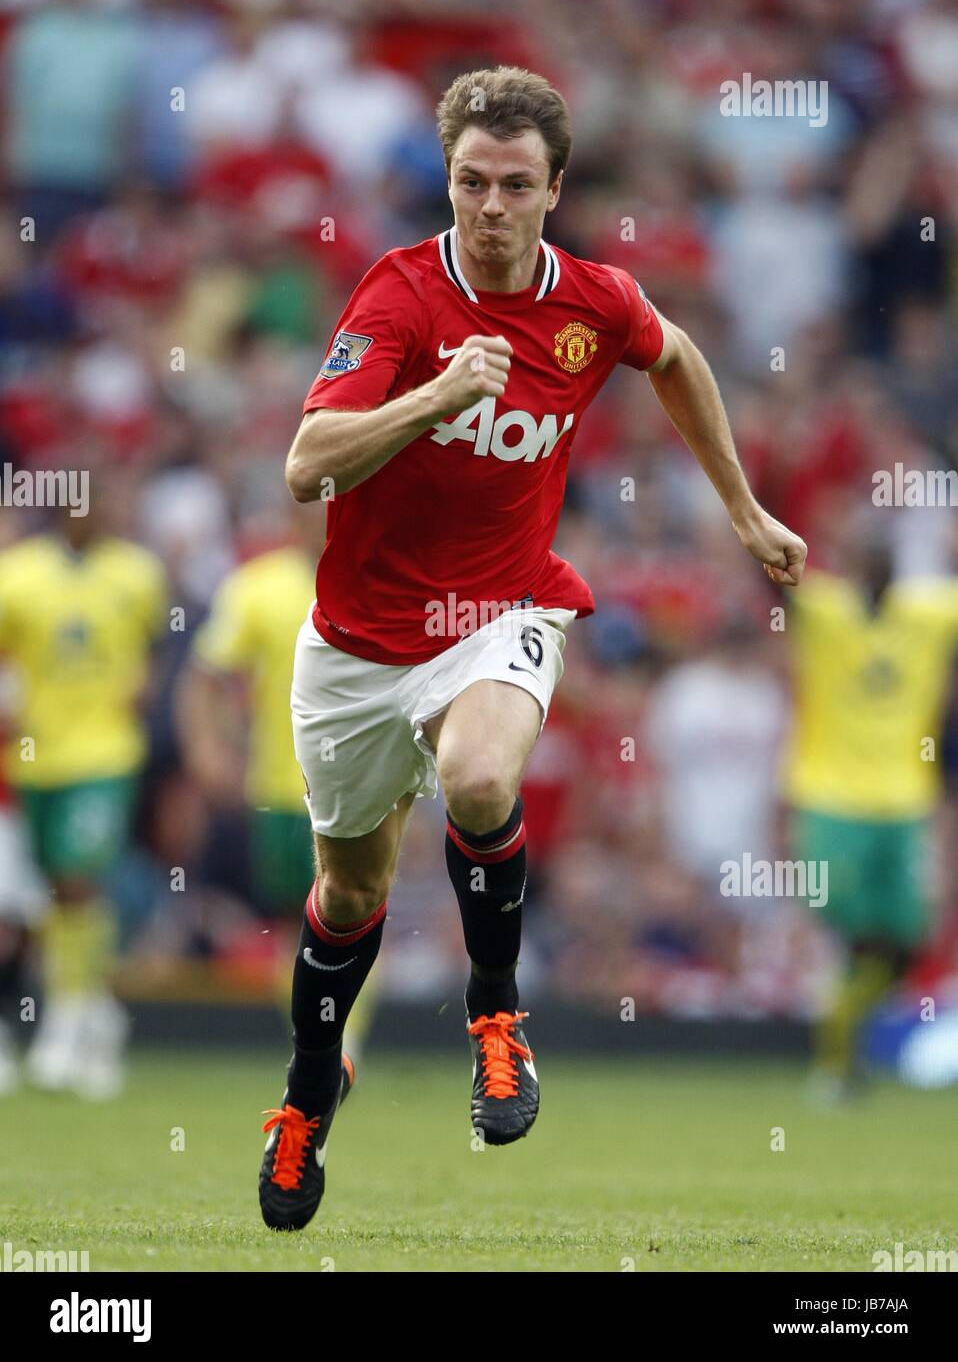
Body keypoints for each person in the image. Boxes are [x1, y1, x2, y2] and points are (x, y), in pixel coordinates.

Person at [259, 65, 807, 1231]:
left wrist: (743, 510)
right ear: (446, 183)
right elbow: (307, 464)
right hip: (358, 644)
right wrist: (436, 395)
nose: (489, 207)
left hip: (502, 608)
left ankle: (495, 1021)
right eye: (469, 182)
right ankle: (309, 1095)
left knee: (479, 775)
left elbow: (673, 357)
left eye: (514, 185)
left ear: (554, 190)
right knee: (348, 893)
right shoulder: (400, 299)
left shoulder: (593, 300)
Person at [178, 504, 378, 1059]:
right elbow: (206, 675)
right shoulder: (256, 588)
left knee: (359, 904)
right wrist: (207, 747)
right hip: (280, 784)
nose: (329, 516)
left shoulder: (383, 579)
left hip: (365, 781)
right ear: (296, 514)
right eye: (320, 505)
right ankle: (314, 1038)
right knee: (296, 917)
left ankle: (346, 1043)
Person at [783, 516, 958, 1100]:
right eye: (869, 552)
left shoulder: (930, 614)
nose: (879, 562)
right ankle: (837, 1062)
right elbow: (771, 579)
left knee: (908, 936)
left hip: (906, 800)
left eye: (887, 553)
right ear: (855, 559)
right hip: (832, 798)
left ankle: (843, 1025)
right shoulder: (826, 608)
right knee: (851, 929)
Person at [0, 502, 167, 1098]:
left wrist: (146, 680)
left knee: (78, 877)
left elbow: (158, 645)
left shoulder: (137, 574)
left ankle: (68, 1018)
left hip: (104, 753)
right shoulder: (17, 575)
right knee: (50, 891)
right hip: (34, 756)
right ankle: (97, 1013)